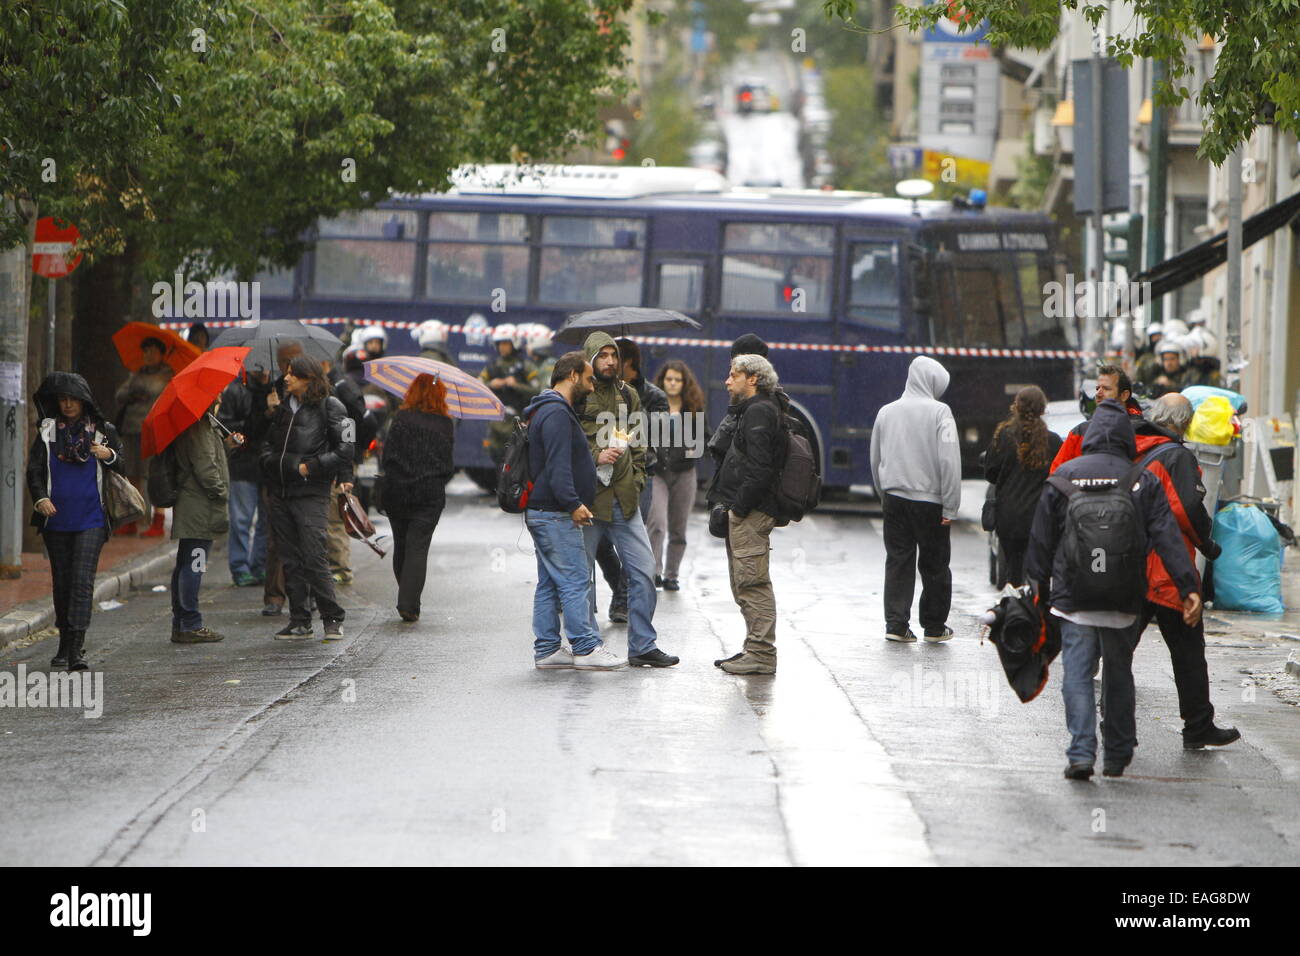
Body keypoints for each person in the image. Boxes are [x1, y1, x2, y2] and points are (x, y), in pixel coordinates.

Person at [1026, 399, 1202, 780]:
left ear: (1089, 436)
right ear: (1125, 436)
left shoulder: (1063, 477)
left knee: (1077, 673)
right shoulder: (1142, 479)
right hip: (1124, 596)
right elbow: (1167, 537)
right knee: (1118, 672)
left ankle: (1081, 753)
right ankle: (1118, 752)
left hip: (1073, 598)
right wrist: (1188, 587)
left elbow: (1040, 543)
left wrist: (1037, 594)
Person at [1135, 393, 1240, 749]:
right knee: (1188, 649)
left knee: (1119, 648)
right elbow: (1186, 509)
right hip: (1167, 568)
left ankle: (1107, 720)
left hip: (1131, 562)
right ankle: (1197, 726)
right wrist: (1208, 547)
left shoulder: (1137, 446)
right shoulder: (1176, 456)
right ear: (1184, 422)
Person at [579, 332, 678, 668]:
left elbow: (639, 443)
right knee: (582, 575)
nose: (610, 361)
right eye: (603, 355)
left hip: (625, 499)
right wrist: (595, 454)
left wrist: (637, 479)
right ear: (590, 358)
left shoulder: (628, 394)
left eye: (613, 355)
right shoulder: (579, 393)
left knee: (645, 570)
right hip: (588, 501)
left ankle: (642, 645)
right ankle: (588, 645)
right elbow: (570, 441)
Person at [521, 352, 625, 670]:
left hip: (546, 509)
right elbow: (557, 466)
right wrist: (573, 504)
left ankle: (548, 649)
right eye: (590, 378)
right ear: (573, 376)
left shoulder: (552, 409)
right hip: (554, 511)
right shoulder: (555, 412)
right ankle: (585, 647)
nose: (593, 386)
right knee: (575, 578)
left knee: (550, 582)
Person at [27, 372, 126, 670]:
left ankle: (76, 649)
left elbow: (122, 462)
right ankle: (63, 642)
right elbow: (33, 470)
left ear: (84, 401)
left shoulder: (102, 430)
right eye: (62, 399)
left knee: (82, 582)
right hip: (55, 520)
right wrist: (40, 497)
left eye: (73, 399)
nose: (68, 404)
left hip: (91, 519)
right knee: (63, 582)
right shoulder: (47, 431)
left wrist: (108, 453)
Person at [260, 354, 354, 640]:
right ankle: (300, 620)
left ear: (309, 378)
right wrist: (277, 462)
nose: (286, 378)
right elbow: (265, 446)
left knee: (314, 557)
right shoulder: (282, 409)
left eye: (293, 374)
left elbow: (346, 447)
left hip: (311, 493)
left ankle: (332, 618)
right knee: (290, 560)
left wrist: (311, 467)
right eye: (286, 373)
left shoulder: (332, 405)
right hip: (281, 492)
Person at [869, 356, 961, 643]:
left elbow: (876, 458)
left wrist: (883, 491)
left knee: (898, 559)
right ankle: (934, 626)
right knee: (934, 562)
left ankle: (896, 624)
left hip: (894, 497)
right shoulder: (940, 412)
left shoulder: (886, 412)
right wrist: (951, 504)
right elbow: (949, 461)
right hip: (930, 500)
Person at [710, 354, 786, 675]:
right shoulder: (754, 410)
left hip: (752, 513)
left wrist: (738, 509)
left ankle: (762, 654)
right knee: (744, 582)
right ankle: (753, 648)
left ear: (752, 379)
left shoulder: (759, 412)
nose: (727, 381)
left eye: (733, 375)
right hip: (746, 512)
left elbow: (760, 470)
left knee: (752, 582)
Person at [380, 373, 454, 622]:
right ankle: (409, 603)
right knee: (417, 547)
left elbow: (387, 456)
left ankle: (406, 594)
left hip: (397, 492)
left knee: (401, 544)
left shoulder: (401, 419)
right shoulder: (445, 424)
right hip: (429, 494)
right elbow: (447, 465)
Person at [982, 386, 1062, 587]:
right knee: (1037, 568)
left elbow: (990, 473)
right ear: (1042, 410)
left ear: (1016, 406)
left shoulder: (1003, 436)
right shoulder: (1052, 441)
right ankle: (1035, 606)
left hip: (1007, 515)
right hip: (1039, 515)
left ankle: (1015, 607)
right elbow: (1060, 476)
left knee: (1013, 567)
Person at [169, 399, 233, 644]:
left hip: (195, 504)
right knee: (194, 564)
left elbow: (210, 458)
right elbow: (206, 467)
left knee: (186, 562)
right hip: (199, 506)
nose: (219, 398)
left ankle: (181, 623)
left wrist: (227, 446)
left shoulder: (205, 425)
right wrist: (221, 491)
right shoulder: (199, 427)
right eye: (217, 395)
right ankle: (190, 623)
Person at [648, 359, 706, 591]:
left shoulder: (693, 408)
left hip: (685, 473)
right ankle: (654, 571)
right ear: (662, 381)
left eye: (677, 380)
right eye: (668, 379)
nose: (672, 384)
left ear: (684, 383)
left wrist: (694, 451)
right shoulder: (653, 406)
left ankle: (672, 574)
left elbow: (704, 436)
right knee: (657, 523)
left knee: (678, 527)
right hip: (659, 473)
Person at [113, 335, 173, 536]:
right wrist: (132, 394)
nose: (148, 355)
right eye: (145, 351)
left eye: (152, 351)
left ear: (161, 354)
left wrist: (140, 391)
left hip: (153, 430)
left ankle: (158, 520)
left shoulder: (167, 375)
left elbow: (155, 391)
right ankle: (133, 519)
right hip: (131, 429)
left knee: (154, 475)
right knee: (132, 475)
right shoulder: (136, 374)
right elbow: (120, 394)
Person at [322, 355, 371, 586]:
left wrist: (348, 467)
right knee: (331, 518)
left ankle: (340, 568)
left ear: (325, 365)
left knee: (335, 518)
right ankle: (336, 566)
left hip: (339, 462)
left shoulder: (338, 390)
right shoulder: (338, 387)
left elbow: (351, 431)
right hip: (337, 460)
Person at [217, 373, 268, 588]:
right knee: (241, 520)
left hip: (268, 465)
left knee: (267, 521)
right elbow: (226, 426)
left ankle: (261, 565)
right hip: (243, 464)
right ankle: (240, 568)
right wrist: (257, 417)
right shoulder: (235, 391)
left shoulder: (276, 390)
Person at [1050, 365, 1144, 473]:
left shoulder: (1144, 431)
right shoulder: (1080, 432)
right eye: (1097, 388)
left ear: (1124, 395)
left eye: (1106, 389)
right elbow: (1056, 476)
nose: (1098, 394)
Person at [481, 324, 534, 467]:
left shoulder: (525, 366)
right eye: (499, 344)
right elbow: (477, 385)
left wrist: (516, 385)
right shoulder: (492, 367)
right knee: (498, 461)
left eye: (505, 343)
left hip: (519, 422)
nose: (502, 347)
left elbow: (538, 391)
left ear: (514, 343)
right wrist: (491, 384)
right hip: (496, 425)